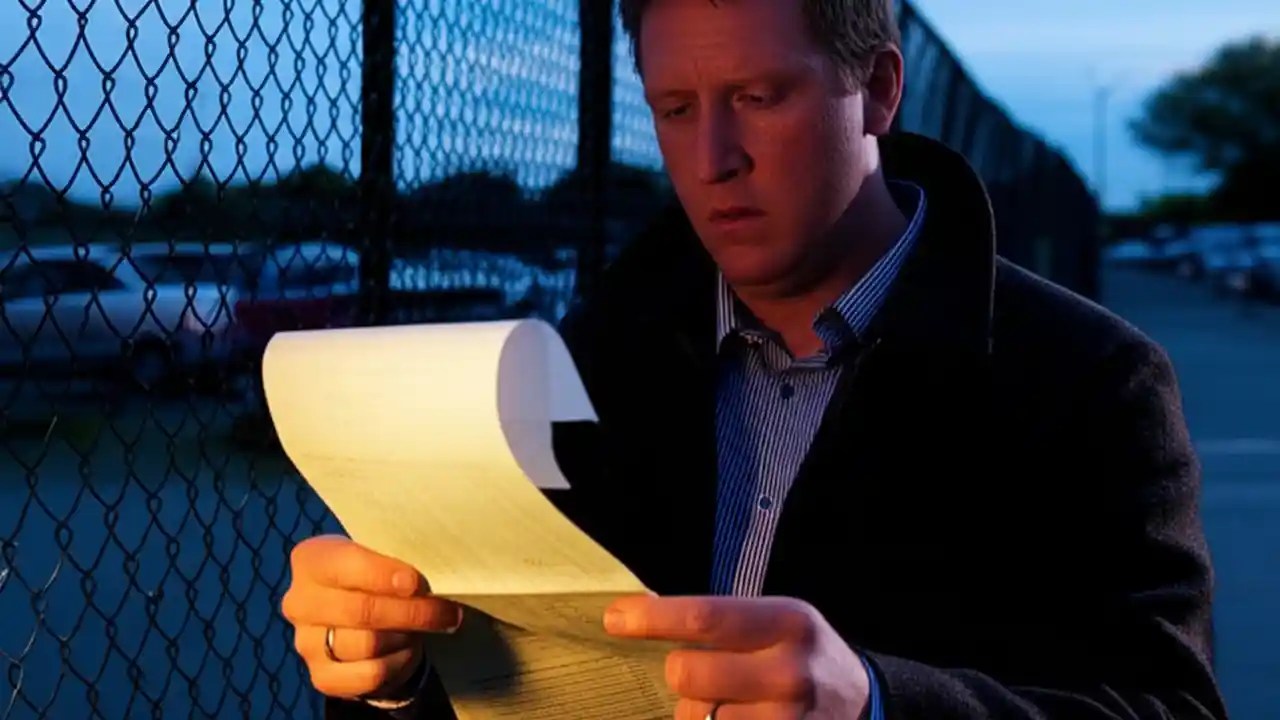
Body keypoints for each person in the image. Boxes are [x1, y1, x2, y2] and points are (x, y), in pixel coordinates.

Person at [281, 0, 1229, 718]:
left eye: (758, 98)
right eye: (676, 107)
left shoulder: (1091, 381)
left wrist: (873, 700)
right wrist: (386, 669)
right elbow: (511, 683)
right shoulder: (594, 358)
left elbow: (1170, 707)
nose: (713, 157)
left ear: (881, 90)